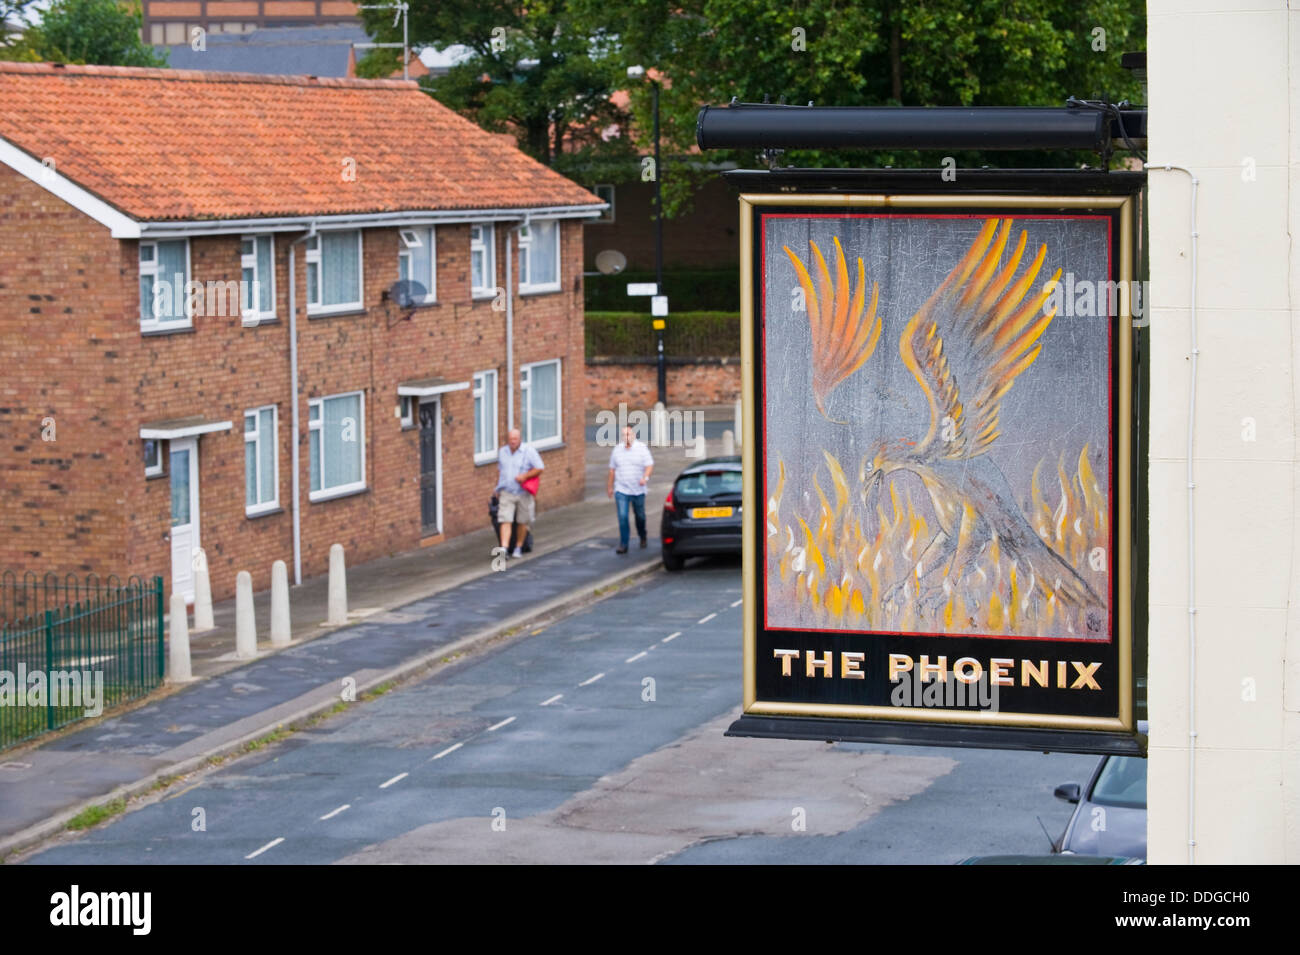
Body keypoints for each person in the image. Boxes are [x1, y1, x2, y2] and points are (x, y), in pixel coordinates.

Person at [495, 428, 543, 559]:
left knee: (522, 521)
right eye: (510, 439)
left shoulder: (529, 451)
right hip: (507, 491)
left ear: (520, 439)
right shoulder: (502, 452)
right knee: (505, 519)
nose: (512, 442)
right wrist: (497, 489)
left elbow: (540, 467)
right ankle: (504, 549)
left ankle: (518, 546)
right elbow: (500, 471)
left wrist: (525, 476)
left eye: (515, 439)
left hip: (523, 492)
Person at [607, 425, 654, 554]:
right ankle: (624, 543)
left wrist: (645, 478)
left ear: (634, 435)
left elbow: (649, 465)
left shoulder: (642, 449)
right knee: (622, 516)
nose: (626, 437)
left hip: (638, 489)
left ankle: (642, 534)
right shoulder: (617, 450)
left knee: (640, 516)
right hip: (621, 489)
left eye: (629, 434)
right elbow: (612, 470)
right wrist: (610, 487)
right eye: (624, 435)